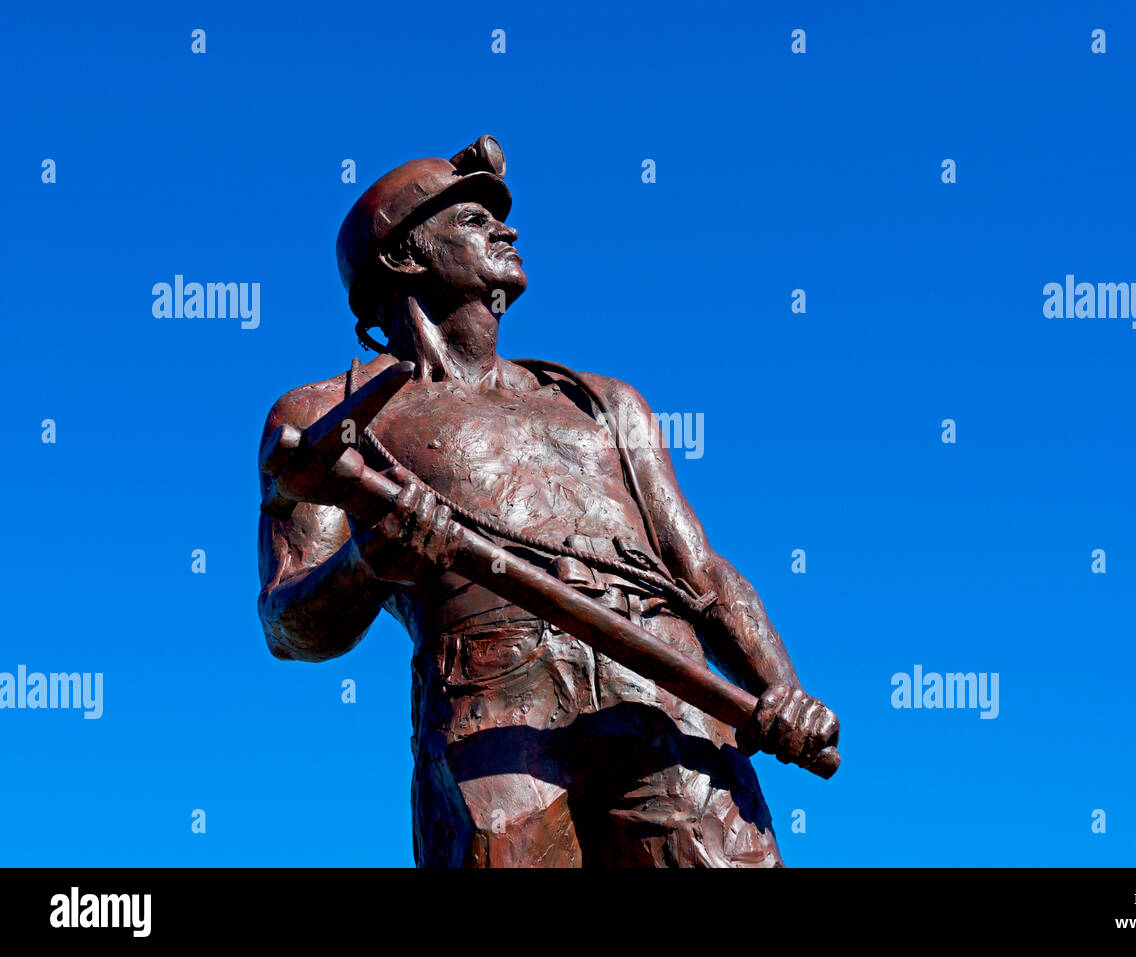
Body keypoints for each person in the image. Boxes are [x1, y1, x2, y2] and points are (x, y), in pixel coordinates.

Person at [257, 135, 839, 867]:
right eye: (471, 220)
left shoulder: (603, 402)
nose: (507, 230)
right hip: (494, 711)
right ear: (405, 254)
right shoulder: (323, 415)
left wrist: (782, 688)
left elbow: (702, 572)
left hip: (667, 692)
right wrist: (368, 561)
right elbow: (288, 621)